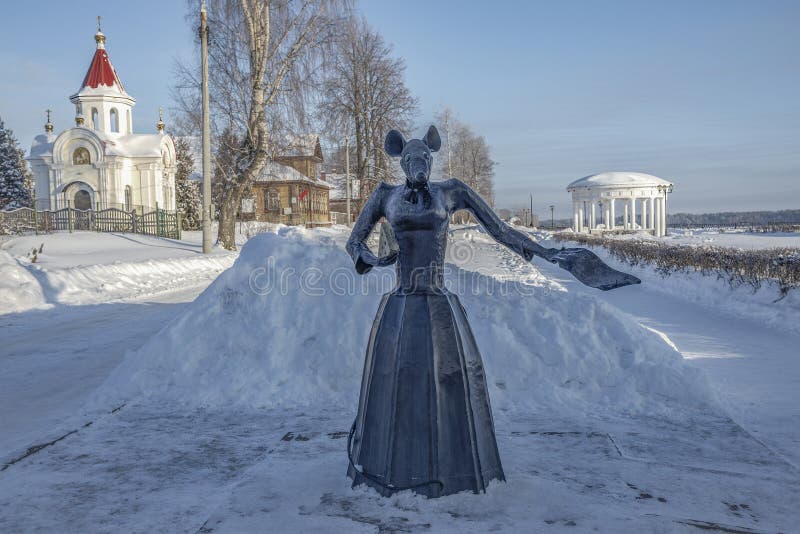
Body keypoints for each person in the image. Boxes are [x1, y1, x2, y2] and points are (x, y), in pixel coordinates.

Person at [345, 126, 639, 498]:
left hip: (437, 304)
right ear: (401, 161)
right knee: (397, 386)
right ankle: (388, 464)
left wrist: (548, 253)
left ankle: (453, 468)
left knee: (445, 383)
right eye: (412, 160)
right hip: (400, 305)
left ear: (431, 160)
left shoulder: (450, 191)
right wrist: (370, 257)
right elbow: (354, 240)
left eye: (425, 159)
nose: (419, 165)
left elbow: (498, 229)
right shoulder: (385, 196)